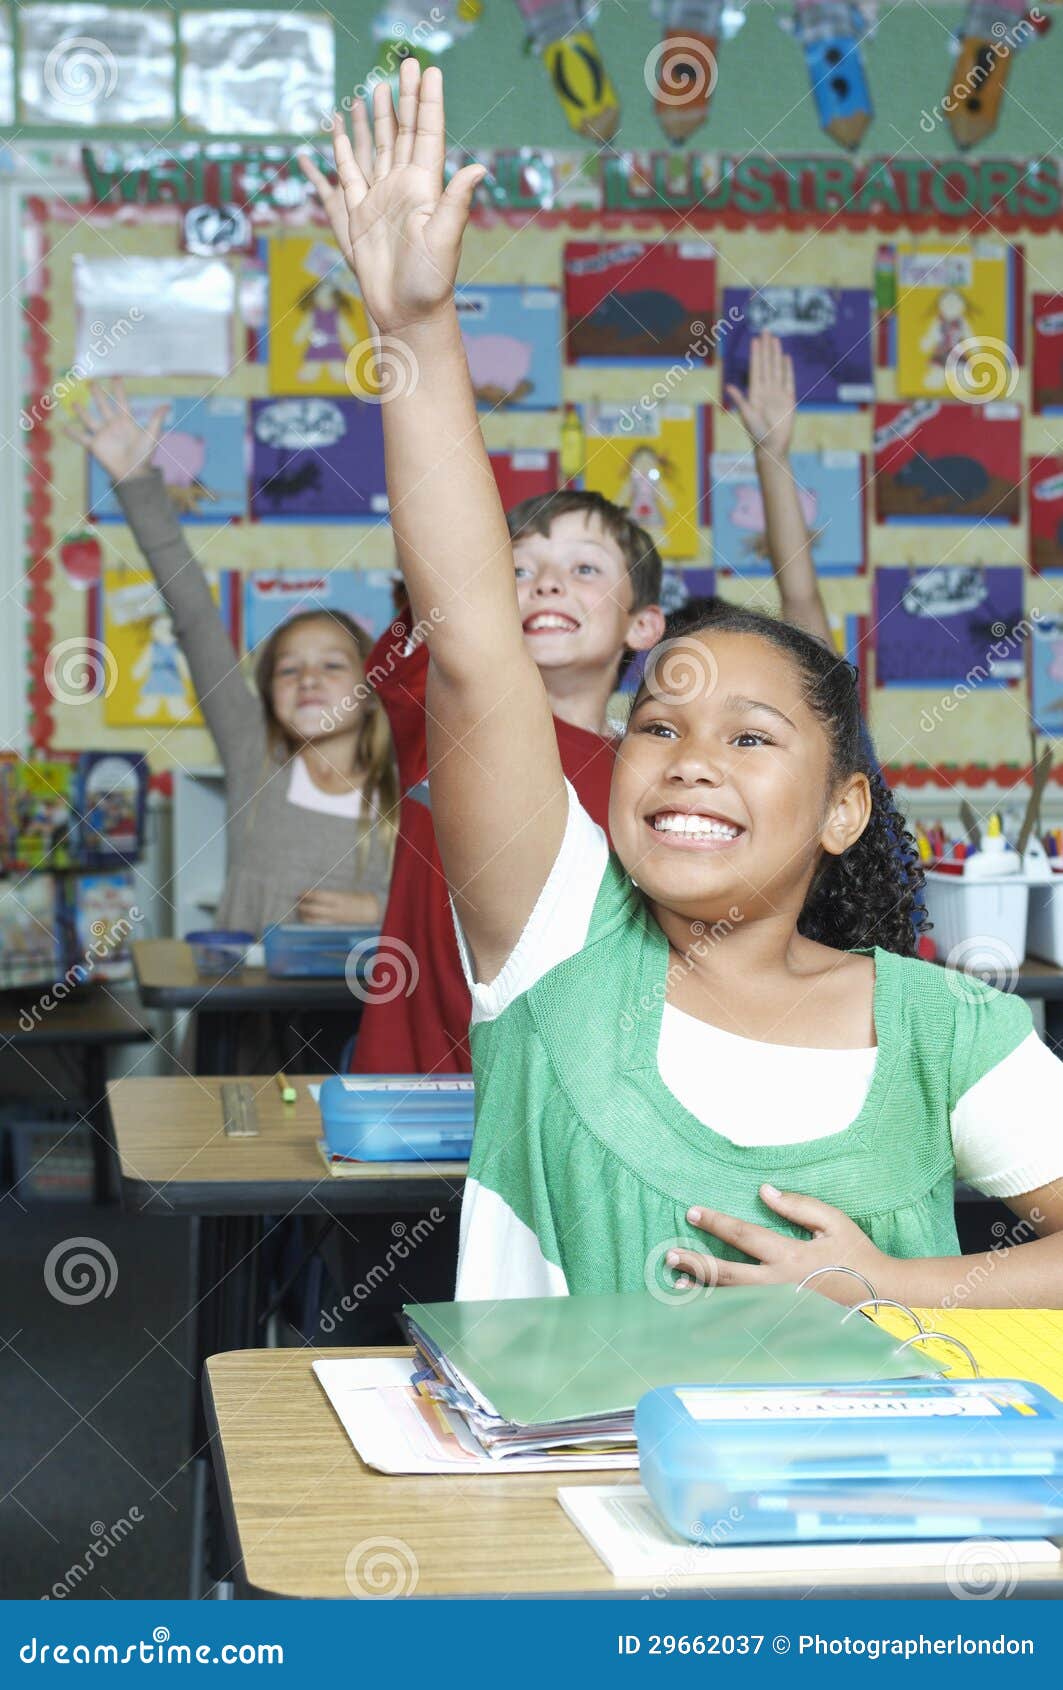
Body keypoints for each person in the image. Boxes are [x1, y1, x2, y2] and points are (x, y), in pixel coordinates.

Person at [318, 61, 1063, 1307]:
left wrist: (888, 1284)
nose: (689, 753)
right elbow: (470, 640)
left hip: (864, 1506)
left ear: (843, 808)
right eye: (657, 722)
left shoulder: (946, 1026)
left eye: (750, 737)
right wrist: (413, 328)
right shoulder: (554, 941)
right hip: (552, 1501)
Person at [304, 161, 832, 1078]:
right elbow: (441, 550)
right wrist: (409, 327)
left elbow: (812, 669)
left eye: (583, 570)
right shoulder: (443, 706)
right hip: (422, 1108)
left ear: (641, 626)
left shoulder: (654, 771)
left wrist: (774, 463)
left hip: (579, 1106)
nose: (545, 586)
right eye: (518, 571)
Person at [72, 384, 397, 950]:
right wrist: (137, 484)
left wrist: (380, 910)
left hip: (363, 1023)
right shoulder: (256, 754)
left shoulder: (407, 786)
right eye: (288, 671)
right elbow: (195, 617)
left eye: (331, 665)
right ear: (268, 693)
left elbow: (462, 905)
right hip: (249, 1024)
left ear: (371, 688)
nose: (309, 679)